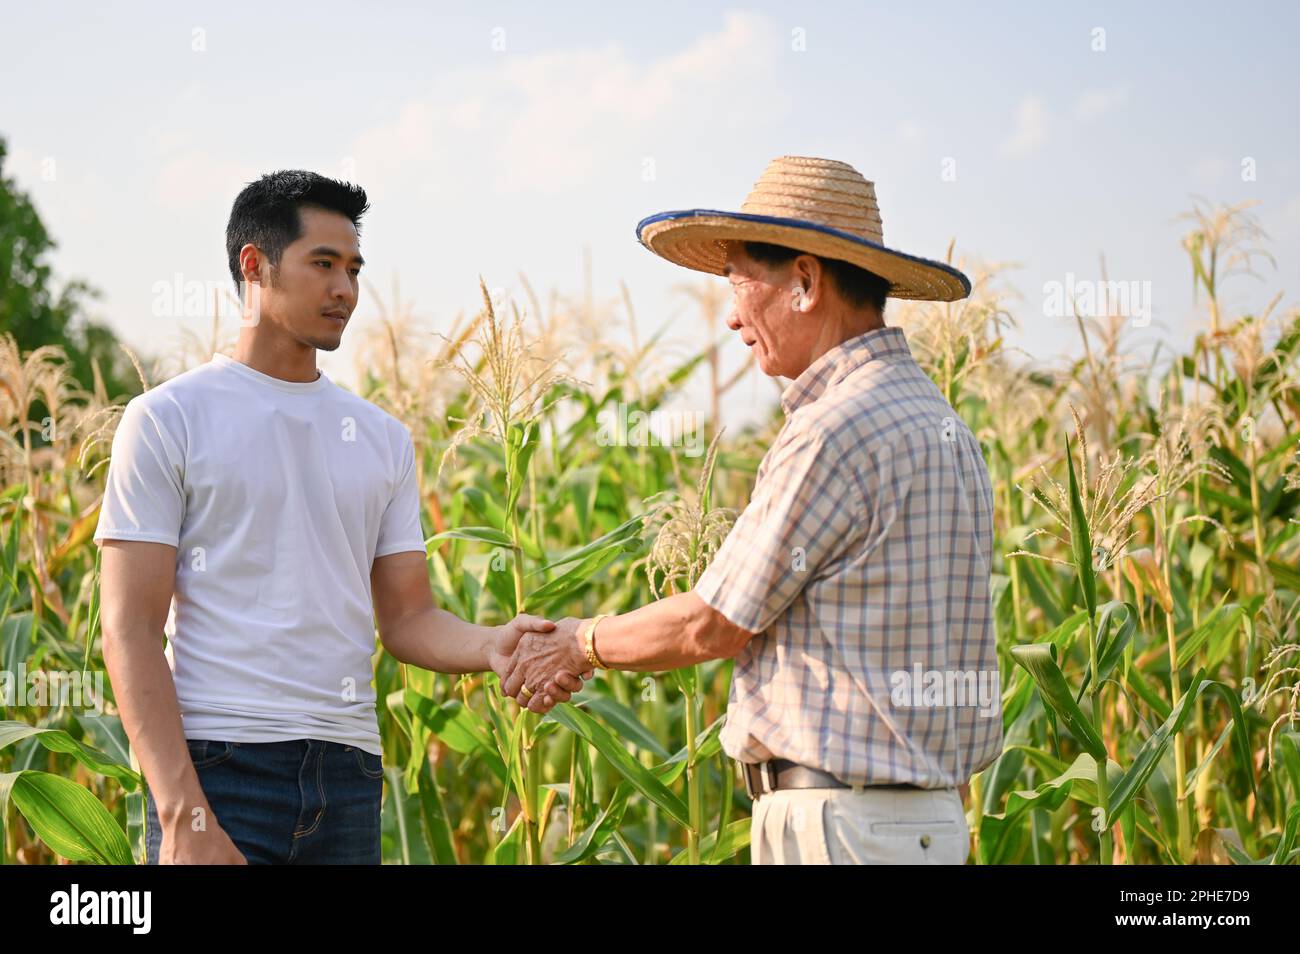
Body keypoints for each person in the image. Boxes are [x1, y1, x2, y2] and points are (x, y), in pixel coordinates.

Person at [503, 155, 1003, 864]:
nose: (733, 315)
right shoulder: (943, 427)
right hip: (923, 828)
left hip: (842, 830)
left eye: (740, 283)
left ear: (804, 281)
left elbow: (713, 623)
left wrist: (577, 642)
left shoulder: (836, 430)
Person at [94, 171, 571, 865]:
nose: (345, 289)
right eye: (322, 264)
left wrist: (491, 644)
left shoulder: (381, 438)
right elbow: (129, 626)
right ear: (254, 267)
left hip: (348, 778)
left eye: (353, 269)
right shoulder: (168, 420)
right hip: (220, 769)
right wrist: (182, 814)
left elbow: (408, 620)